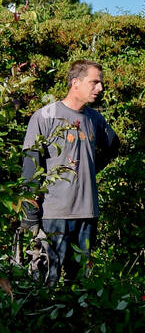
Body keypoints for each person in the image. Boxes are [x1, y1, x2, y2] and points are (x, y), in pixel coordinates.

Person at [20, 60, 121, 283]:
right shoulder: (45, 117)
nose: (100, 88)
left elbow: (113, 146)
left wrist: (89, 169)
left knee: (79, 285)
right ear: (75, 82)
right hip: (54, 215)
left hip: (87, 214)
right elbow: (31, 168)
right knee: (47, 280)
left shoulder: (95, 119)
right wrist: (30, 216)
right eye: (94, 82)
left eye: (100, 83)